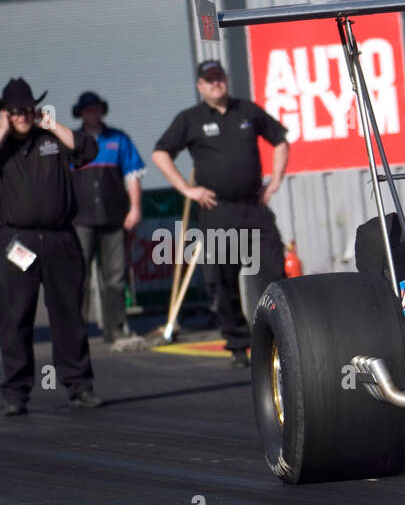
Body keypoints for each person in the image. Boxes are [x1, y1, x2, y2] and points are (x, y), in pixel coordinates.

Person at [152, 60, 289, 367]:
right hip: (219, 210)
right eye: (209, 80)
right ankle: (239, 343)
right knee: (222, 279)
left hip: (254, 207)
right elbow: (160, 154)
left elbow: (280, 139)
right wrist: (188, 191)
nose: (216, 84)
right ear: (200, 86)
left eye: (219, 78)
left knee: (274, 273)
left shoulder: (247, 111)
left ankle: (282, 336)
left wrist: (275, 181)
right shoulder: (191, 119)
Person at [0, 78, 103, 415]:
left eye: (27, 109)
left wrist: (52, 124)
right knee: (16, 318)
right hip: (18, 242)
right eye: (15, 111)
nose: (22, 116)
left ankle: (79, 386)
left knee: (69, 316)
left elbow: (88, 150)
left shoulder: (51, 140)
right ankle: (15, 393)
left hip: (60, 238)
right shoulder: (3, 149)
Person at [71, 91, 146, 347]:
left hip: (114, 218)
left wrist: (134, 208)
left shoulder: (118, 139)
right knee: (79, 275)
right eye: (87, 109)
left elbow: (133, 175)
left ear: (101, 111)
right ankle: (77, 331)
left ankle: (115, 328)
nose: (92, 113)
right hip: (80, 220)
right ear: (80, 113)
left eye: (96, 109)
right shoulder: (72, 141)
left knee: (115, 276)